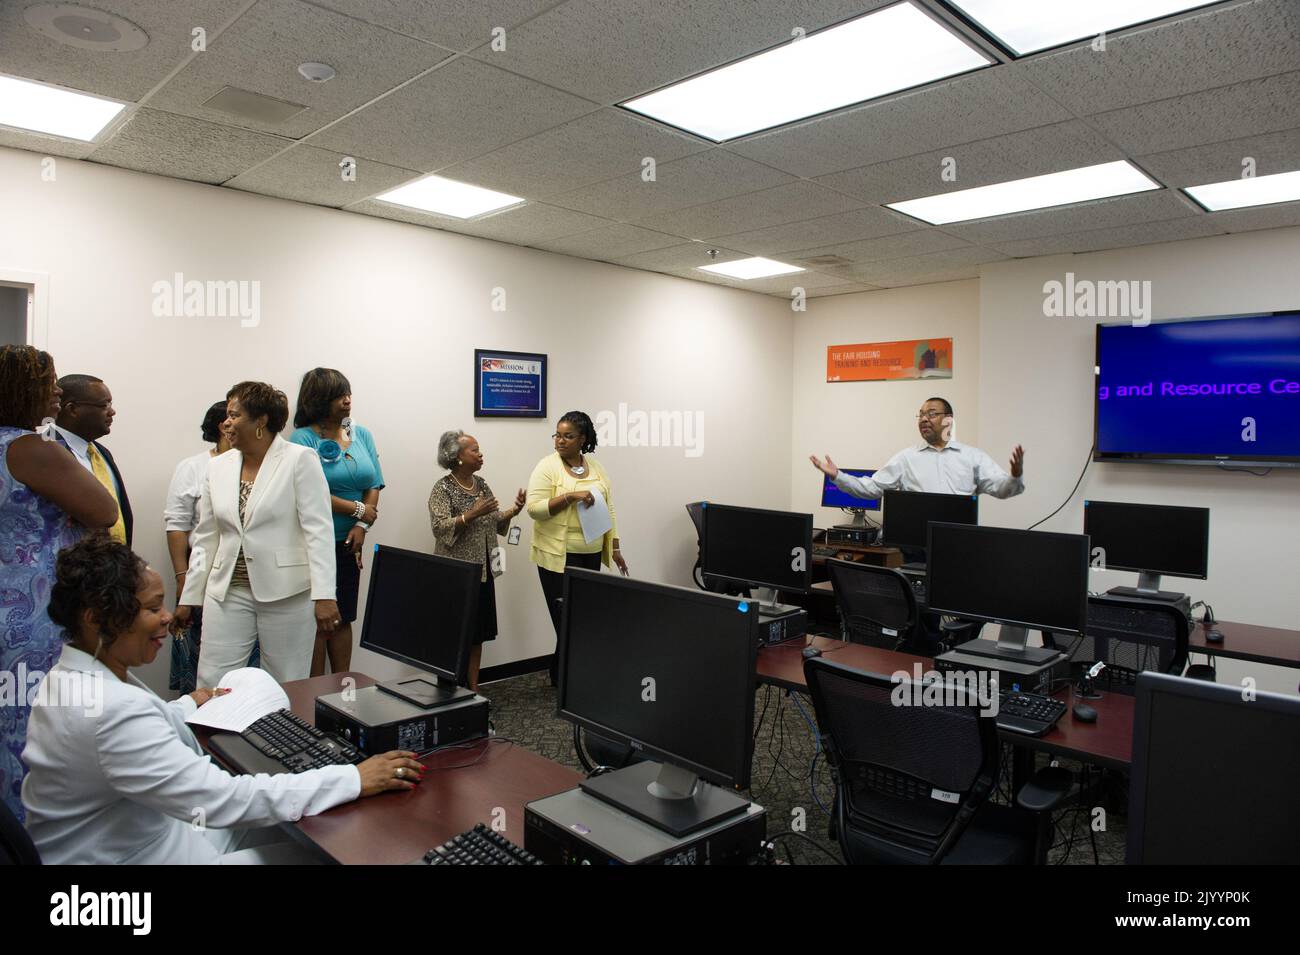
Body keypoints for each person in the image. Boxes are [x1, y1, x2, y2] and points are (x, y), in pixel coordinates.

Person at [21, 536, 424, 864]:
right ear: (95, 618)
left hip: (145, 836)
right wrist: (354, 778)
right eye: (151, 608)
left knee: (311, 824)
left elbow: (126, 734)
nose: (166, 617)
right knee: (328, 852)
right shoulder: (111, 711)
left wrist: (188, 704)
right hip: (140, 864)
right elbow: (220, 800)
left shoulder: (70, 677)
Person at [0, 346, 118, 822]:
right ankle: (42, 830)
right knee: (38, 726)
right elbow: (103, 511)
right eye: (46, 380)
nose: (54, 389)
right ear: (20, 389)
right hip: (36, 610)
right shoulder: (28, 448)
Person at [172, 381, 338, 687]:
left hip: (287, 591)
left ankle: (283, 736)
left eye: (234, 415)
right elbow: (207, 536)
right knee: (213, 678)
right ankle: (213, 734)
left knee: (286, 680)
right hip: (227, 589)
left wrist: (325, 594)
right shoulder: (217, 467)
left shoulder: (299, 460)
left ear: (261, 421)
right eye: (227, 415)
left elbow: (319, 531)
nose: (226, 422)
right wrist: (189, 597)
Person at [288, 368, 384, 676]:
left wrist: (362, 526)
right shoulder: (302, 438)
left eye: (348, 393)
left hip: (349, 543)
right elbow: (308, 492)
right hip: (313, 545)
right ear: (318, 399)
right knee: (318, 622)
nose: (347, 400)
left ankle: (343, 694)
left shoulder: (360, 433)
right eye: (338, 395)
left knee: (344, 618)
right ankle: (312, 700)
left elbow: (375, 482)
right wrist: (357, 510)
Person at [526, 411, 628, 686]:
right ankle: (569, 680)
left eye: (567, 436)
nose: (560, 441)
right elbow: (534, 509)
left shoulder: (595, 466)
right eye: (557, 435)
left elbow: (610, 508)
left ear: (582, 439)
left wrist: (614, 546)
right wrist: (569, 497)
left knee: (582, 618)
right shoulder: (547, 467)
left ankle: (563, 677)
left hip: (591, 552)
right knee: (567, 620)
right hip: (557, 555)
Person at [165, 401, 260, 694]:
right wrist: (183, 579)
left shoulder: (262, 467)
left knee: (251, 671)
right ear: (223, 425)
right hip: (205, 572)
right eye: (232, 416)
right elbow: (178, 526)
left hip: (252, 578)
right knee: (206, 662)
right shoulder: (193, 467)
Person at [428, 431, 525, 690]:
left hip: (484, 571)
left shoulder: (481, 483)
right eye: (475, 450)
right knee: (455, 634)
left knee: (477, 636)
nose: (481, 454)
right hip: (457, 574)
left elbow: (492, 521)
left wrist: (515, 510)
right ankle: (450, 691)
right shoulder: (443, 488)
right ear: (457, 457)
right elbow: (439, 527)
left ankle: (474, 688)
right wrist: (471, 514)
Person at [810, 397, 1025, 500]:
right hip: (915, 547)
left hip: (959, 543)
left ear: (948, 420)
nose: (924, 419)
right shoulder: (906, 458)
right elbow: (872, 488)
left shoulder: (972, 457)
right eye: (921, 414)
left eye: (931, 414)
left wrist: (1015, 476)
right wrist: (837, 476)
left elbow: (1002, 490)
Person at [52, 373, 133, 545]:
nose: (112, 411)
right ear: (72, 409)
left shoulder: (102, 453)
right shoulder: (47, 449)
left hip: (113, 566)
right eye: (104, 405)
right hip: (67, 566)